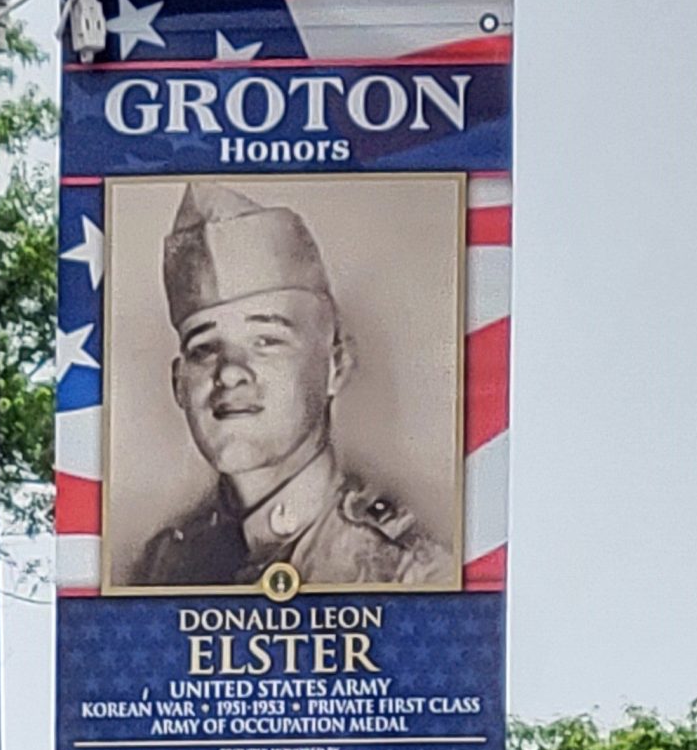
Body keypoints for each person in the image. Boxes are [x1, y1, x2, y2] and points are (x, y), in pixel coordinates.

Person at [127, 181, 455, 591]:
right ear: (178, 384)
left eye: (267, 341)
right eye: (204, 348)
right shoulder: (163, 568)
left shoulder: (412, 571)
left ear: (335, 366)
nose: (229, 372)